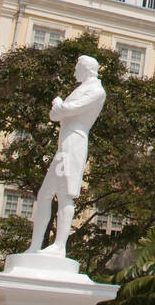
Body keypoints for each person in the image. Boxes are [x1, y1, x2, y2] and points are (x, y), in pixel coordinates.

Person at [27, 55, 105, 256]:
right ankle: (35, 245)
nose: (74, 72)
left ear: (86, 69)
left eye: (77, 67)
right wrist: (60, 108)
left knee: (65, 194)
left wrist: (60, 103)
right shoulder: (80, 89)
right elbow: (56, 115)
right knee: (45, 193)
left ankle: (59, 246)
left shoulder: (96, 90)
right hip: (64, 144)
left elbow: (68, 109)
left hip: (74, 142)